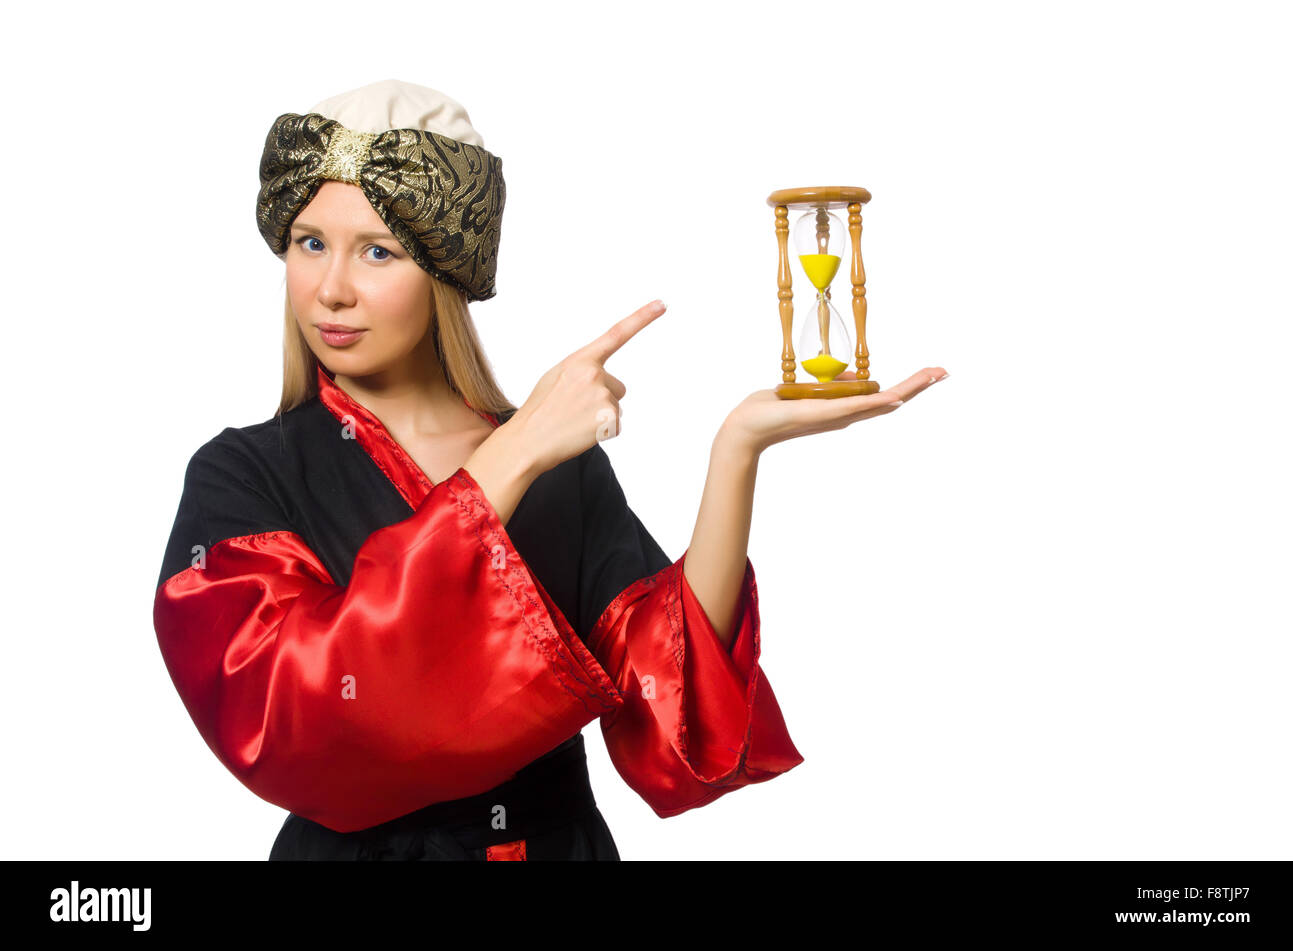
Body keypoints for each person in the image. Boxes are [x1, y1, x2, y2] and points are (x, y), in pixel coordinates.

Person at [152, 79, 947, 861]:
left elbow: (669, 696)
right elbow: (294, 712)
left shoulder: (560, 465)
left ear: (445, 270)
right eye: (309, 242)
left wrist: (737, 449)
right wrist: (516, 449)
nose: (332, 288)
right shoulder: (243, 475)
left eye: (377, 251)